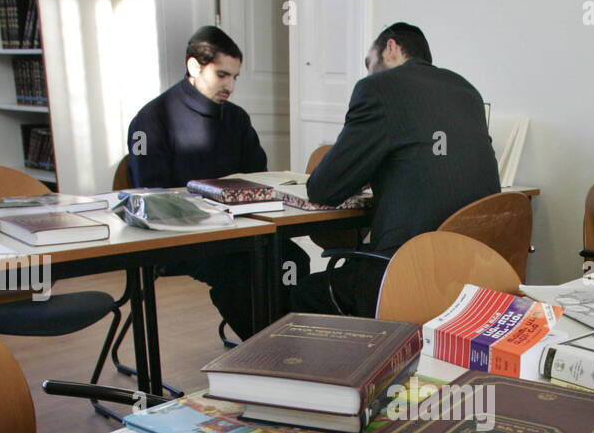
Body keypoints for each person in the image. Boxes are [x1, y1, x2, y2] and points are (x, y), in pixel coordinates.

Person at [297, 22, 500, 317]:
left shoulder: (379, 88)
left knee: (303, 293)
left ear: (390, 48)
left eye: (369, 63)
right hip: (473, 277)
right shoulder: (466, 90)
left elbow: (323, 189)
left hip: (404, 276)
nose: (368, 72)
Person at [126, 25, 308, 339]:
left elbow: (258, 178)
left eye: (235, 77)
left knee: (293, 259)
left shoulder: (236, 119)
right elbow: (152, 198)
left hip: (239, 229)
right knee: (240, 274)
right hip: (185, 238)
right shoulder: (151, 121)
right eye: (223, 75)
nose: (230, 86)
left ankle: (285, 343)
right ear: (195, 66)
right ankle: (267, 350)